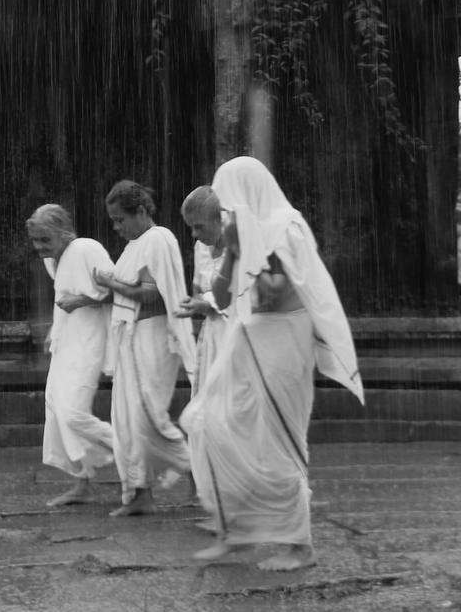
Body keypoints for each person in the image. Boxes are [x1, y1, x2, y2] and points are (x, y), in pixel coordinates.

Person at [181, 156, 364, 571]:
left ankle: (299, 544)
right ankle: (236, 530)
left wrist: (248, 249)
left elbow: (278, 291)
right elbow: (224, 295)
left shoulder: (286, 226)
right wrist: (232, 250)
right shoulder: (241, 232)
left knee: (278, 440)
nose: (226, 209)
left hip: (284, 339)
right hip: (247, 337)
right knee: (212, 423)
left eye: (228, 200)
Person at [93, 181, 197, 517]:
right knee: (125, 421)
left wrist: (109, 282)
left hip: (150, 336)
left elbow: (151, 294)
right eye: (113, 220)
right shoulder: (135, 245)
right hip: (129, 335)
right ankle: (140, 493)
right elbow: (129, 291)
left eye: (120, 219)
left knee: (147, 417)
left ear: (140, 212)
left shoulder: (158, 238)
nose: (116, 227)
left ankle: (199, 469)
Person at [27, 204, 117, 507]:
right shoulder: (55, 259)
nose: (40, 248)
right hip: (67, 341)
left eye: (45, 240)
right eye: (36, 241)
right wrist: (55, 331)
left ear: (63, 232)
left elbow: (120, 289)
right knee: (55, 409)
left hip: (90, 341)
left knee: (73, 412)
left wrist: (81, 300)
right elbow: (60, 299)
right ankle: (83, 481)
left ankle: (130, 447)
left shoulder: (86, 249)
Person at [174, 185, 228, 526]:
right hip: (210, 335)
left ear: (220, 219)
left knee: (225, 419)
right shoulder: (202, 246)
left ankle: (234, 505)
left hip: (235, 337)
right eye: (191, 227)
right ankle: (215, 501)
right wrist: (200, 304)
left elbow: (248, 293)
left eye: (200, 227)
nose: (195, 234)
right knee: (202, 419)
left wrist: (207, 302)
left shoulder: (242, 244)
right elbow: (200, 289)